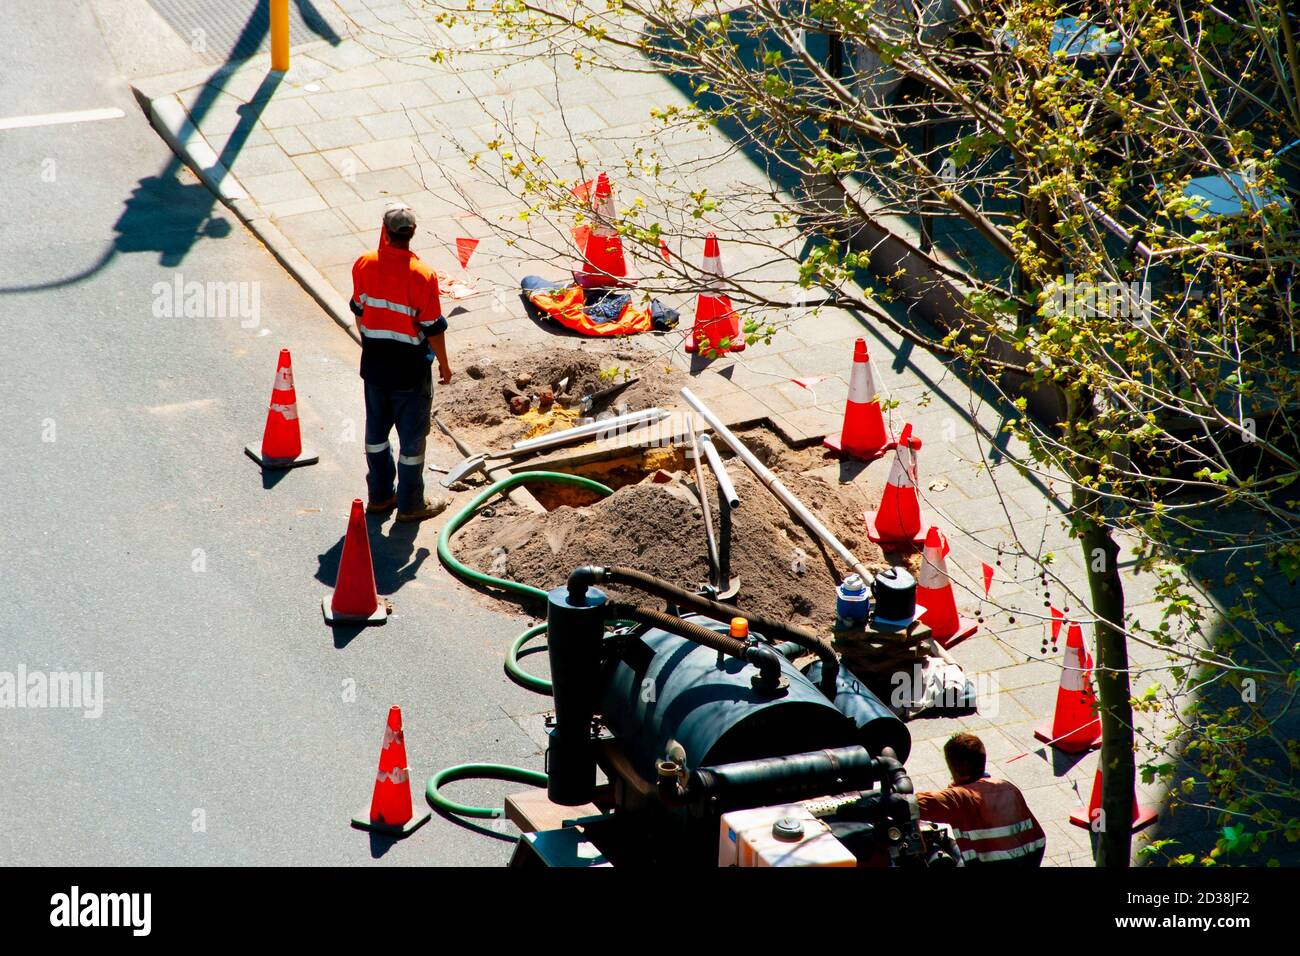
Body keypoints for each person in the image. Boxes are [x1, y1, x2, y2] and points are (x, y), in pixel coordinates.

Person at [350, 203, 452, 522]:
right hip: (410, 372)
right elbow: (433, 327)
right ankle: (410, 505)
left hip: (376, 368)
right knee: (412, 442)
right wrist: (445, 367)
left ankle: (380, 497)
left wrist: (371, 341)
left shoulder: (364, 264)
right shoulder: (423, 275)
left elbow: (358, 311)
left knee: (376, 436)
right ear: (413, 234)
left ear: (385, 230)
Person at [917, 732, 1046, 866]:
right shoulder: (1008, 787)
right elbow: (1040, 838)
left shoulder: (958, 797)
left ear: (953, 769)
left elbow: (909, 805)